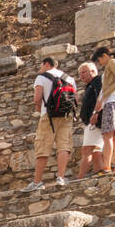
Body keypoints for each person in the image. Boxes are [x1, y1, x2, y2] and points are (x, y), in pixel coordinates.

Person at [26, 57, 75, 191]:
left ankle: (37, 182)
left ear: (46, 64)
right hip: (66, 115)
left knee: (43, 145)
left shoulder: (41, 77)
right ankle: (61, 177)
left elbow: (37, 98)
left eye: (41, 65)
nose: (40, 68)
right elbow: (74, 98)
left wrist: (39, 108)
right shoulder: (69, 78)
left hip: (48, 115)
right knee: (64, 145)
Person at [91, 47, 115, 176]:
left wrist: (104, 97)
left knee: (108, 136)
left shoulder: (112, 63)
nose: (100, 63)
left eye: (99, 60)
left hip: (112, 102)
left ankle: (107, 166)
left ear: (103, 56)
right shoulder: (113, 64)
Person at [75, 62, 103, 179]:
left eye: (84, 72)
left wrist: (96, 114)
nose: (81, 75)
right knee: (96, 148)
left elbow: (101, 97)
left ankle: (80, 177)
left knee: (87, 149)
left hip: (94, 121)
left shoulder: (97, 82)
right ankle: (99, 171)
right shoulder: (91, 84)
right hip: (92, 121)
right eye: (80, 73)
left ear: (92, 71)